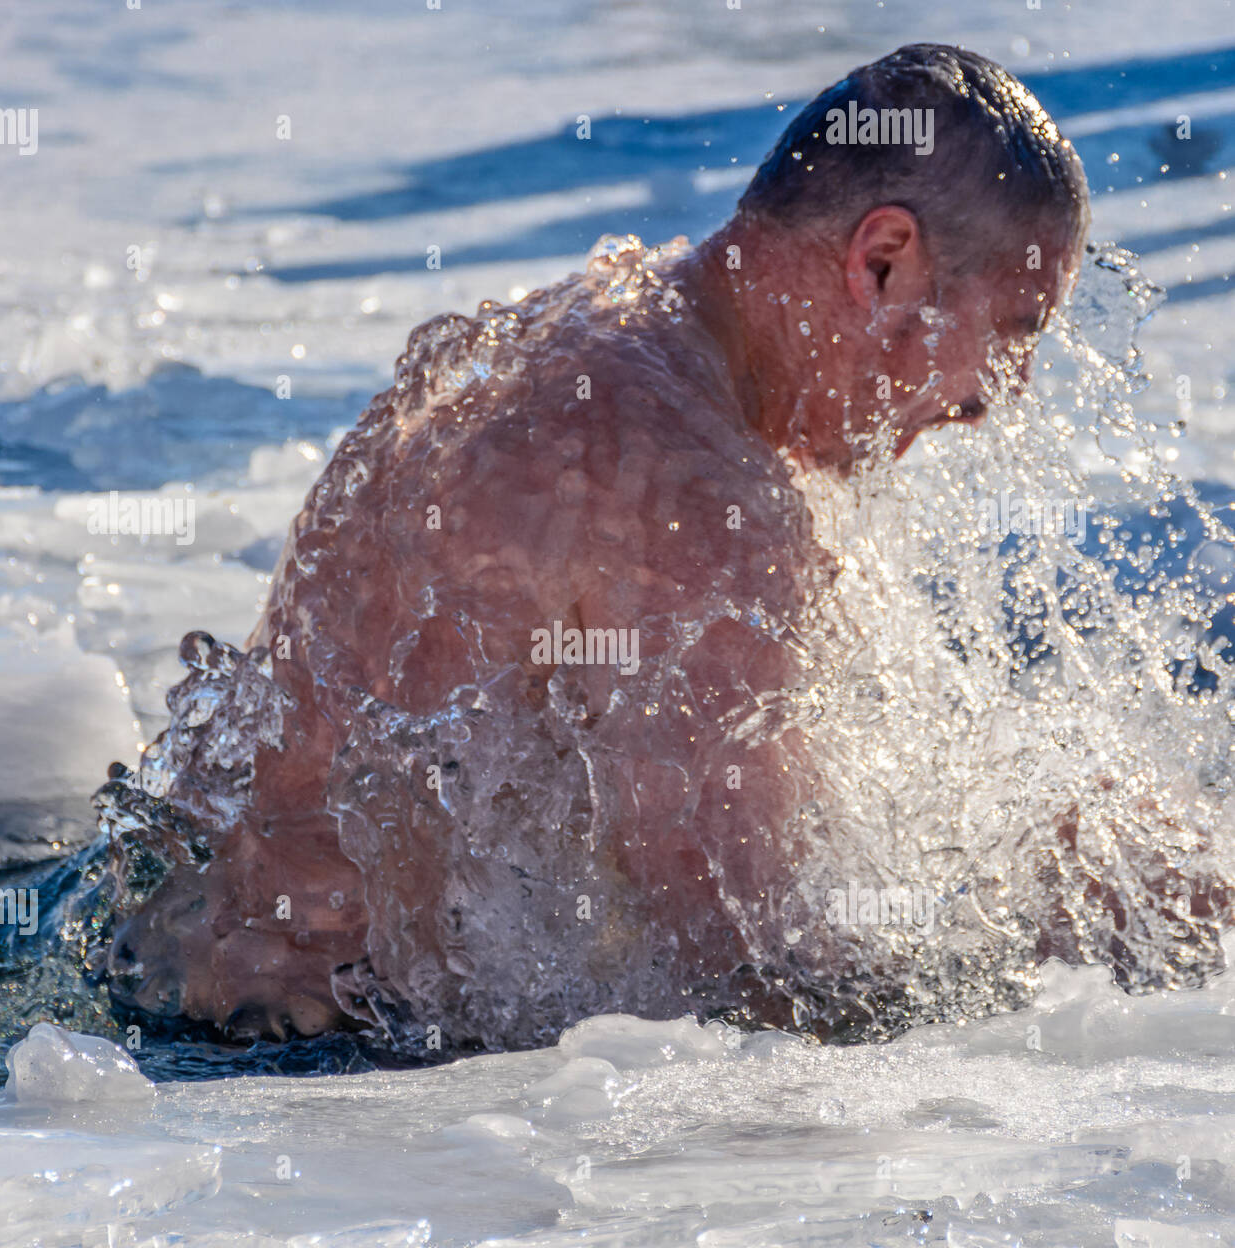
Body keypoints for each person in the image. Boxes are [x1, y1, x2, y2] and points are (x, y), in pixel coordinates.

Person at [94, 44, 1097, 1049]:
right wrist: (1054, 949)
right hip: (308, 1066)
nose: (995, 397)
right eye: (1012, 332)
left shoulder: (591, 332)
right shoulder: (689, 491)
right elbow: (749, 977)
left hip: (177, 976)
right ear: (882, 260)